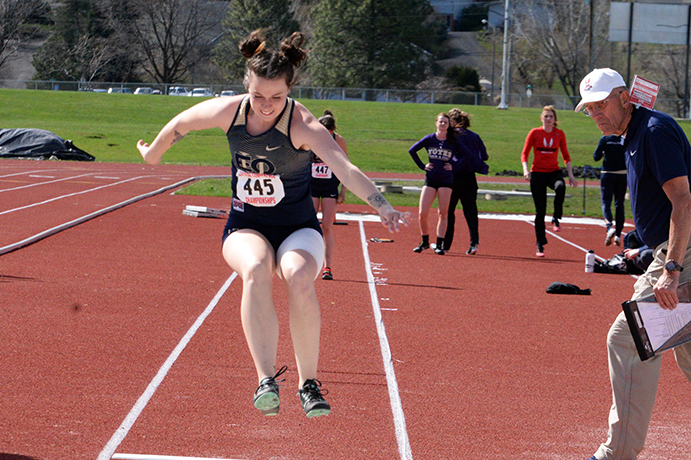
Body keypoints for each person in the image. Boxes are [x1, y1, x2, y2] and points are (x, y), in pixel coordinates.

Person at [136, 30, 410, 418]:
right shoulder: (229, 111)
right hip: (245, 225)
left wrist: (382, 206)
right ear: (246, 86)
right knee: (255, 268)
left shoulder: (301, 124)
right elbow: (182, 122)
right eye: (258, 96)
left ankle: (308, 383)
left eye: (276, 98)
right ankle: (266, 379)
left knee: (298, 277)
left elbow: (344, 168)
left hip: (298, 226)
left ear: (290, 90)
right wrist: (153, 155)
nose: (266, 106)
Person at [562, 68, 691, 460]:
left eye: (601, 105)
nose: (596, 115)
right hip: (690, 247)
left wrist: (670, 268)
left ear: (623, 97)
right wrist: (649, 243)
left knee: (628, 340)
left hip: (685, 252)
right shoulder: (637, 133)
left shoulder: (652, 131)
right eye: (590, 110)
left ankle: (619, 458)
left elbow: (685, 203)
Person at [408, 113, 471, 255]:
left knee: (443, 213)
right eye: (441, 122)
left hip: (446, 180)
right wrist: (422, 166)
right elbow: (412, 150)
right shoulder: (430, 138)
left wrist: (454, 167)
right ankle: (424, 242)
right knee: (422, 212)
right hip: (431, 179)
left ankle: (439, 244)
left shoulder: (452, 141)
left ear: (449, 125)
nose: (443, 124)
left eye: (445, 123)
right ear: (436, 123)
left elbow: (467, 155)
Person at [521, 105, 577, 257]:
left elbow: (566, 156)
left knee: (560, 186)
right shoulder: (535, 132)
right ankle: (540, 244)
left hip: (553, 172)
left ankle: (556, 218)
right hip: (537, 174)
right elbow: (524, 154)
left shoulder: (559, 134)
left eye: (551, 117)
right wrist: (526, 170)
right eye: (546, 116)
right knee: (540, 211)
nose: (548, 119)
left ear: (554, 119)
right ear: (541, 118)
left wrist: (571, 175)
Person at [443, 108, 488, 256]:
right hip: (470, 178)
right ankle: (474, 243)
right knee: (471, 211)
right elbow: (485, 156)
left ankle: (446, 244)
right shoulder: (475, 136)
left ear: (453, 122)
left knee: (449, 211)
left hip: (454, 177)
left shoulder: (451, 136)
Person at [309, 109, 347, 280]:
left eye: (328, 132)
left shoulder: (339, 141)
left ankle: (328, 266)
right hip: (312, 186)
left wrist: (344, 189)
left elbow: (346, 166)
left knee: (327, 227)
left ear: (332, 130)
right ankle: (308, 263)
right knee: (308, 226)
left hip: (330, 187)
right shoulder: (311, 138)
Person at [593, 134, 627, 246]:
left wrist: (603, 153)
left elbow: (596, 157)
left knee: (606, 202)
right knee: (619, 204)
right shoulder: (623, 139)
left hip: (607, 173)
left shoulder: (605, 139)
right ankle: (618, 234)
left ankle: (609, 226)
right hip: (622, 173)